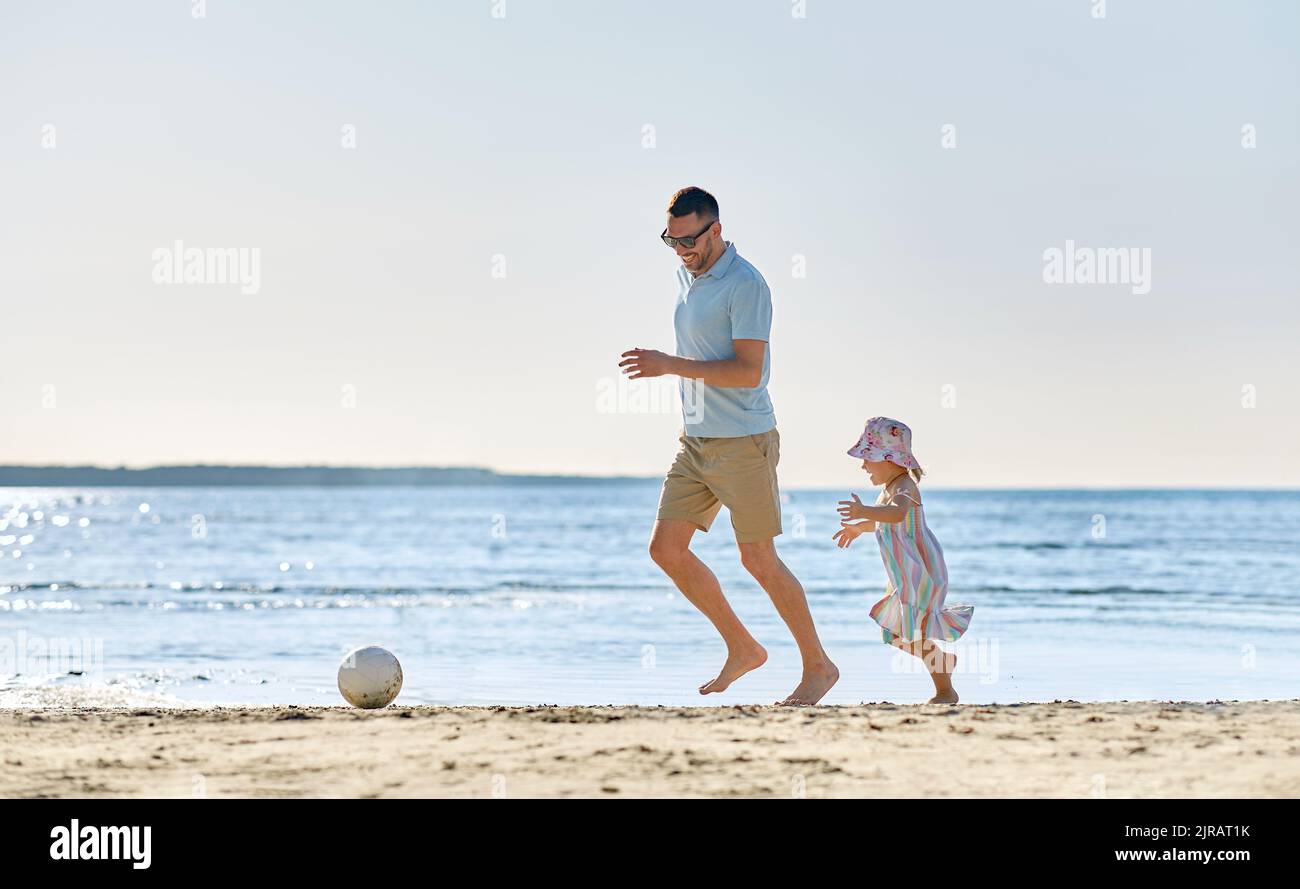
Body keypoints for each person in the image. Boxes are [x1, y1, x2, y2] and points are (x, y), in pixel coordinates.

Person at [619, 186, 839, 706]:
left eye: (689, 241)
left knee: (758, 558)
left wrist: (668, 364)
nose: (681, 252)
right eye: (671, 242)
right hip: (695, 442)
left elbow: (747, 372)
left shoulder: (746, 285)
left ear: (715, 229)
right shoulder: (686, 276)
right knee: (665, 550)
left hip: (744, 442)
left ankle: (819, 667)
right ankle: (742, 647)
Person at [833, 417, 974, 704]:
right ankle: (942, 665)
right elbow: (890, 523)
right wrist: (861, 526)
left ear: (889, 459)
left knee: (910, 632)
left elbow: (896, 514)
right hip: (905, 575)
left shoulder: (905, 489)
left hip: (921, 573)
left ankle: (945, 690)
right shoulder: (888, 490)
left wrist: (865, 511)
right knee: (895, 634)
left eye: (867, 458)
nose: (863, 465)